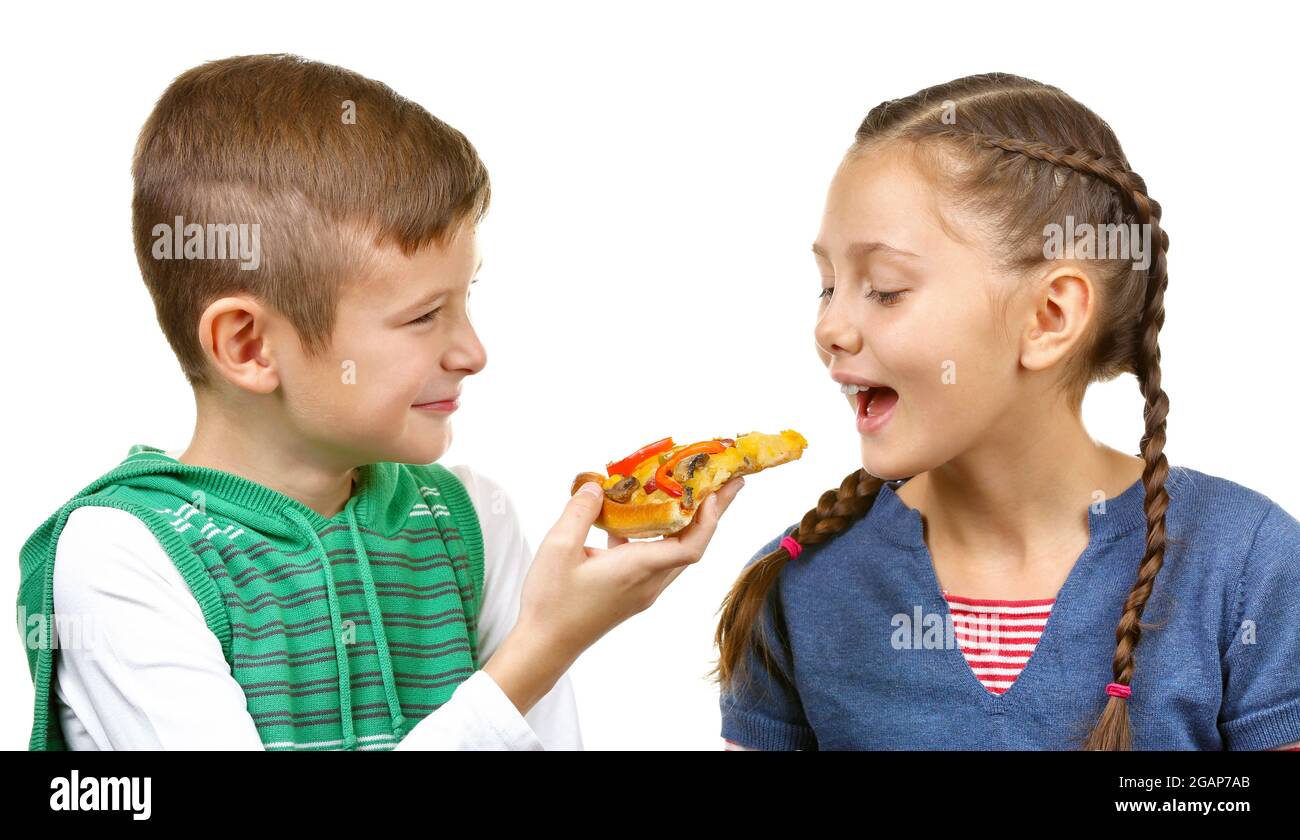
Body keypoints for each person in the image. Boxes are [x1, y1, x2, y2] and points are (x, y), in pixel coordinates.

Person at [16, 53, 744, 751]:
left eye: (467, 299)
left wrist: (546, 643)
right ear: (248, 346)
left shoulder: (470, 523)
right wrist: (541, 650)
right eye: (424, 316)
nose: (473, 352)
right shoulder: (123, 556)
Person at [713, 73, 1300, 751]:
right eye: (827, 287)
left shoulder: (1250, 565)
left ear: (1049, 317)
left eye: (885, 289)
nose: (831, 328)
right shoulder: (800, 586)